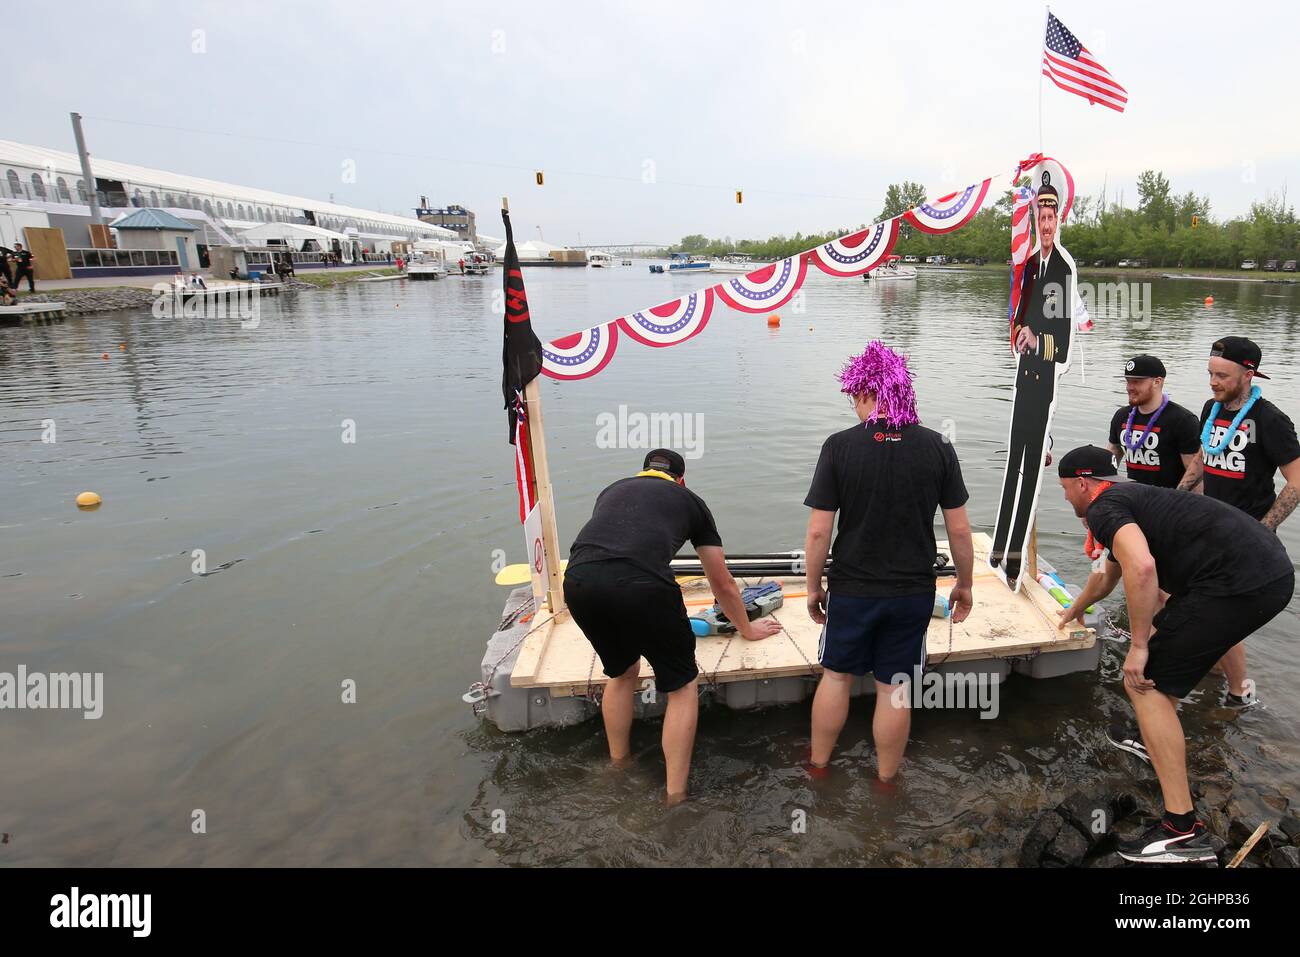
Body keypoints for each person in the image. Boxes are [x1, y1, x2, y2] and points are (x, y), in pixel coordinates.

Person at [1056, 445, 1293, 863]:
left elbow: (1142, 569)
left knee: (1144, 684)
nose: (1064, 498)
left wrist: (1139, 645)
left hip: (1238, 582)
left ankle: (1182, 830)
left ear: (1081, 483)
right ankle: (1164, 735)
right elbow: (1110, 575)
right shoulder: (1132, 499)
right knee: (1172, 654)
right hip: (1269, 573)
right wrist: (1073, 611)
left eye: (1064, 489)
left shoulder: (1102, 508)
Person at [563, 449, 781, 804]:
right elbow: (721, 581)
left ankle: (618, 764)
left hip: (580, 582)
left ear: (642, 472)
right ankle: (674, 795)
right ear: (682, 479)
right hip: (643, 586)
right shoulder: (691, 501)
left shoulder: (613, 489)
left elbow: (613, 542)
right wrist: (746, 628)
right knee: (681, 686)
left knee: (622, 672)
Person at [803, 341, 974, 781]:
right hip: (912, 591)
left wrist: (812, 588)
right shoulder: (938, 446)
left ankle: (818, 768)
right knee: (895, 688)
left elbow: (820, 531)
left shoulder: (839, 446)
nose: (853, 407)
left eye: (854, 397)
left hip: (853, 589)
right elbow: (958, 530)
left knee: (837, 677)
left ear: (865, 393)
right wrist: (965, 585)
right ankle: (885, 783)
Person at [1175, 335, 1300, 707]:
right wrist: (1175, 498)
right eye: (1210, 373)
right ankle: (1214, 673)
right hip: (1207, 525)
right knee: (1191, 599)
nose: (1214, 382)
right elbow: (1203, 457)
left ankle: (1239, 693)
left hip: (1246, 534)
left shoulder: (1271, 420)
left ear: (1249, 374)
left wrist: (1263, 528)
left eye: (1223, 375)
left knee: (1222, 614)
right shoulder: (1211, 409)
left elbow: (1297, 481)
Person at [990, 175, 1074, 584]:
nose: (1045, 225)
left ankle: (1014, 556)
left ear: (1058, 222)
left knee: (1029, 466)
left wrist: (1034, 337)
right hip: (1025, 375)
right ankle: (999, 546)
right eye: (1040, 217)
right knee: (1013, 462)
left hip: (1042, 381)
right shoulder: (1029, 270)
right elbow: (1020, 318)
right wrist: (1019, 329)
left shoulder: (1059, 270)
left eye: (1050, 218)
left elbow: (1062, 345)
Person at [1106, 355, 1200, 488]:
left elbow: (1195, 475)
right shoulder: (1121, 416)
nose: (1129, 387)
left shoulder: (1183, 420)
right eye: (1128, 381)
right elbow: (1108, 462)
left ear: (1157, 382)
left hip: (1169, 501)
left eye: (1137, 382)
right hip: (1134, 499)